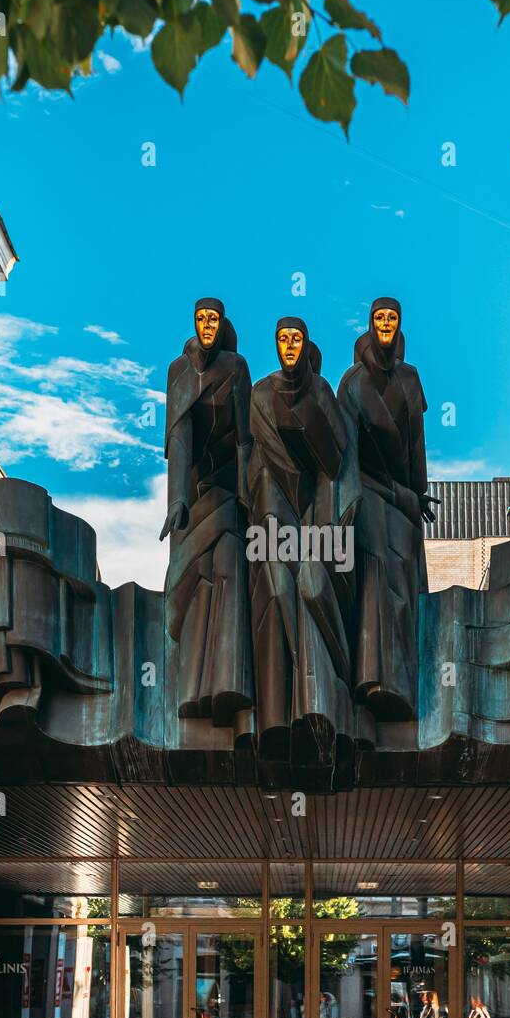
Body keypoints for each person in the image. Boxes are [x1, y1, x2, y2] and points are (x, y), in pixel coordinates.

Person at [247, 317, 360, 766]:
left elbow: (338, 461)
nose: (289, 346)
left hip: (320, 513)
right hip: (276, 507)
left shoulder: (321, 394)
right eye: (283, 340)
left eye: (296, 339)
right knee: (279, 582)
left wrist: (332, 526)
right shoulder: (260, 394)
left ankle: (322, 701)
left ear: (306, 346)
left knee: (311, 579)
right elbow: (265, 464)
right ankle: (284, 708)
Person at [337, 298, 438, 731]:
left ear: (398, 326)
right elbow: (346, 451)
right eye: (379, 318)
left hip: (403, 498)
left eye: (391, 318)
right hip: (367, 489)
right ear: (370, 324)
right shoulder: (353, 383)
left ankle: (405, 679)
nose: (385, 324)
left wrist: (420, 494)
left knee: (406, 574)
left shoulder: (411, 379)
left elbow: (417, 443)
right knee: (379, 567)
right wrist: (348, 498)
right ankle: (373, 677)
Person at [160, 297, 254, 727]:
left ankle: (227, 683)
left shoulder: (236, 368)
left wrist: (248, 494)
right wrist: (177, 501)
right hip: (194, 493)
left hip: (230, 490)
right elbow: (178, 438)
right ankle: (192, 691)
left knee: (229, 565)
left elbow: (245, 438)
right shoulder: (178, 372)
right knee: (193, 578)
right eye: (201, 319)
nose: (207, 325)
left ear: (222, 323)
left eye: (213, 318)